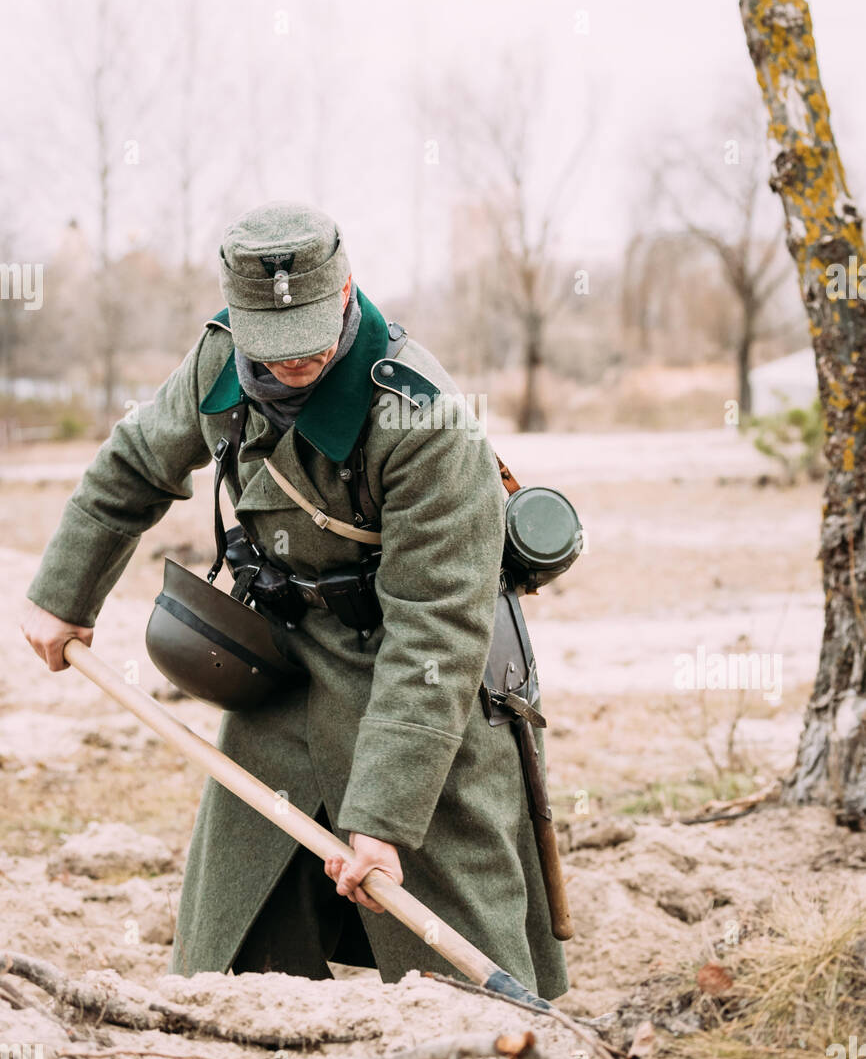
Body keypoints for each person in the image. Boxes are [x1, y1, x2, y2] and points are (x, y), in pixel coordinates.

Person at [21, 201, 569, 1000]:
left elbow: (437, 633)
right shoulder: (216, 362)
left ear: (346, 294)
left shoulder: (426, 419)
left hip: (418, 677)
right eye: (271, 352)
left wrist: (381, 820)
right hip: (286, 655)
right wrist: (62, 593)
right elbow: (135, 464)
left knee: (460, 972)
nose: (292, 367)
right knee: (231, 943)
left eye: (309, 345)